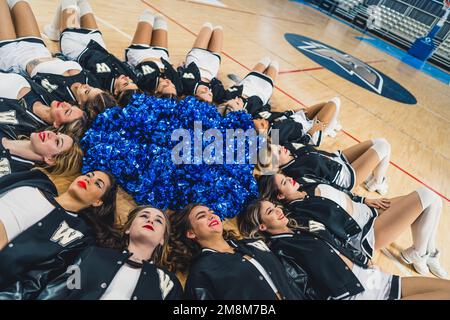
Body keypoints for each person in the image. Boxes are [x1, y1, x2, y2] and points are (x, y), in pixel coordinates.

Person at [238, 199, 450, 299]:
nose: (278, 211)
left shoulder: (301, 227)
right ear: (262, 226)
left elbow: (338, 246)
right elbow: (299, 288)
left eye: (275, 207)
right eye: (270, 212)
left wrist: (363, 260)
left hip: (373, 278)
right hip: (357, 295)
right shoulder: (280, 249)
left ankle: (425, 253)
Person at [258, 173, 448, 279]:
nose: (290, 179)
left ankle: (422, 253)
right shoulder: (297, 212)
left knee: (435, 202)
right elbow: (325, 237)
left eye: (285, 176)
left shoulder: (306, 185)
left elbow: (341, 193)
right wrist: (358, 257)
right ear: (280, 196)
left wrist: (365, 199)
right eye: (284, 182)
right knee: (426, 196)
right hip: (366, 231)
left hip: (369, 210)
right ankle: (420, 254)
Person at [0, 169, 119, 299]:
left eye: (98, 184)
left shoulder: (77, 235)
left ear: (98, 202)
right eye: (88, 175)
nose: (89, 179)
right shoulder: (36, 180)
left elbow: (38, 279)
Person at [0, 0, 116, 122]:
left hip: (12, 55)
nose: (87, 86)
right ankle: (53, 31)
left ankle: (53, 31)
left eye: (86, 92)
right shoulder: (91, 81)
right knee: (21, 4)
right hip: (37, 46)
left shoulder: (58, 99)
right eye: (93, 88)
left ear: (81, 105)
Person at [37, 205, 183, 300]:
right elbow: (60, 290)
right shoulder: (92, 255)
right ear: (128, 229)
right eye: (144, 216)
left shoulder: (167, 282)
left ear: (162, 240)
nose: (150, 220)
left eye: (158, 221)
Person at [168, 203, 307, 300]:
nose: (212, 216)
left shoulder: (252, 243)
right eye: (201, 216)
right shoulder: (201, 271)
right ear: (191, 233)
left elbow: (288, 279)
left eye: (211, 212)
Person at [45, 0, 141, 107]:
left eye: (125, 84)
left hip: (77, 48)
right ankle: (53, 31)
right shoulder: (129, 75)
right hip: (97, 44)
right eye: (131, 81)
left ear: (116, 92)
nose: (127, 78)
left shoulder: (98, 85)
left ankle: (54, 31)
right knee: (83, 3)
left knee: (69, 3)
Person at [257, 138, 391, 195]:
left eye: (278, 146)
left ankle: (374, 179)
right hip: (344, 177)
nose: (282, 147)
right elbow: (319, 184)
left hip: (337, 158)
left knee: (380, 141)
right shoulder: (295, 171)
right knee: (384, 146)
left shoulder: (291, 151)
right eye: (279, 151)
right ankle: (377, 182)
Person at [0, 72, 87, 136]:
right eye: (71, 105)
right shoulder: (47, 94)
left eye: (67, 111)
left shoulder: (22, 125)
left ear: (57, 125)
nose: (65, 104)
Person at [125, 9, 182, 99]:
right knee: (161, 19)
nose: (168, 81)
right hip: (161, 55)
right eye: (172, 85)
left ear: (156, 92)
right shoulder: (177, 87)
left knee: (148, 14)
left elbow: (128, 71)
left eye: (165, 86)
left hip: (140, 53)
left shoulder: (145, 83)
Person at [0, 125, 82, 177]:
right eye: (57, 133)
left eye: (57, 142)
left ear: (51, 159)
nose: (51, 133)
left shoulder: (13, 172)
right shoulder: (10, 127)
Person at [179, 23, 232, 104]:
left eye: (203, 92)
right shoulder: (217, 94)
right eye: (210, 94)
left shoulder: (185, 87)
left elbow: (178, 74)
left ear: (195, 96)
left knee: (208, 26)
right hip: (212, 63)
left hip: (196, 58)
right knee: (219, 29)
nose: (207, 90)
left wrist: (180, 68)